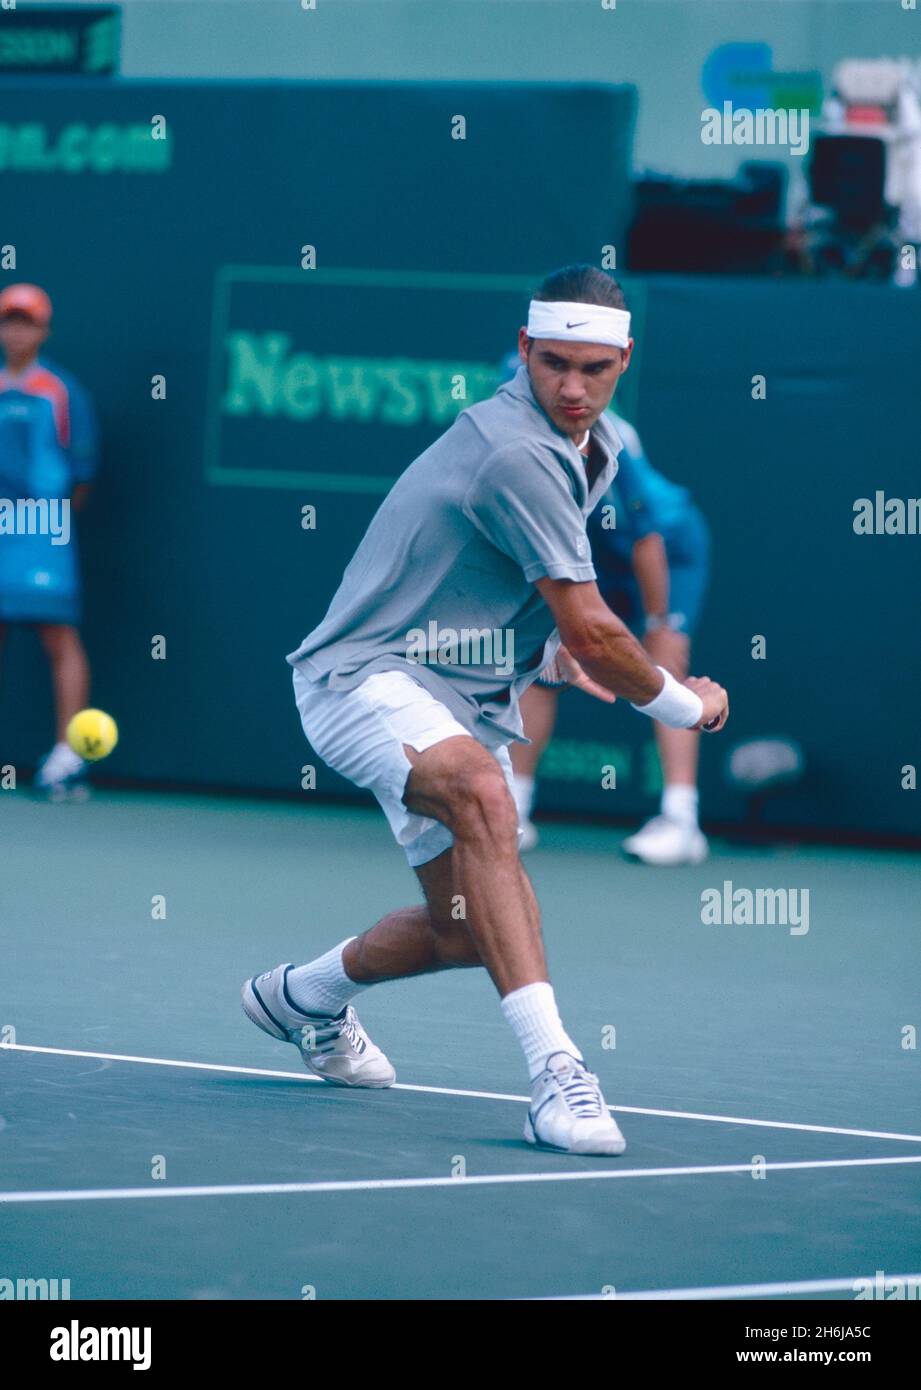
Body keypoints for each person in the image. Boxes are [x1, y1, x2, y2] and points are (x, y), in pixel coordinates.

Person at [242, 265, 728, 1156]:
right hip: (360, 680)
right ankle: (556, 1076)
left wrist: (546, 654)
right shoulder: (516, 450)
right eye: (552, 365)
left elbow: (491, 594)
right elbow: (590, 622)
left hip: (448, 688)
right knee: (482, 793)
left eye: (592, 368)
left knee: (464, 932)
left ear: (624, 360)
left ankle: (301, 996)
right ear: (522, 352)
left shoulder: (598, 447)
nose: (571, 387)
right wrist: (683, 706)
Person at [510, 411, 712, 865]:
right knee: (541, 666)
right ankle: (512, 811)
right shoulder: (514, 439)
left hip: (668, 552)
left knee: (662, 667)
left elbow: (647, 542)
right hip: (594, 556)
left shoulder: (607, 442)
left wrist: (658, 624)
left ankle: (682, 822)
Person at [0, 283, 99, 798]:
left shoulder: (62, 391)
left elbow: (82, 471)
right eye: (9, 320)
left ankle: (66, 755)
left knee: (58, 637)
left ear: (43, 330)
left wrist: (47, 518)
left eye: (26, 321)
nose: (16, 330)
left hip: (42, 529)